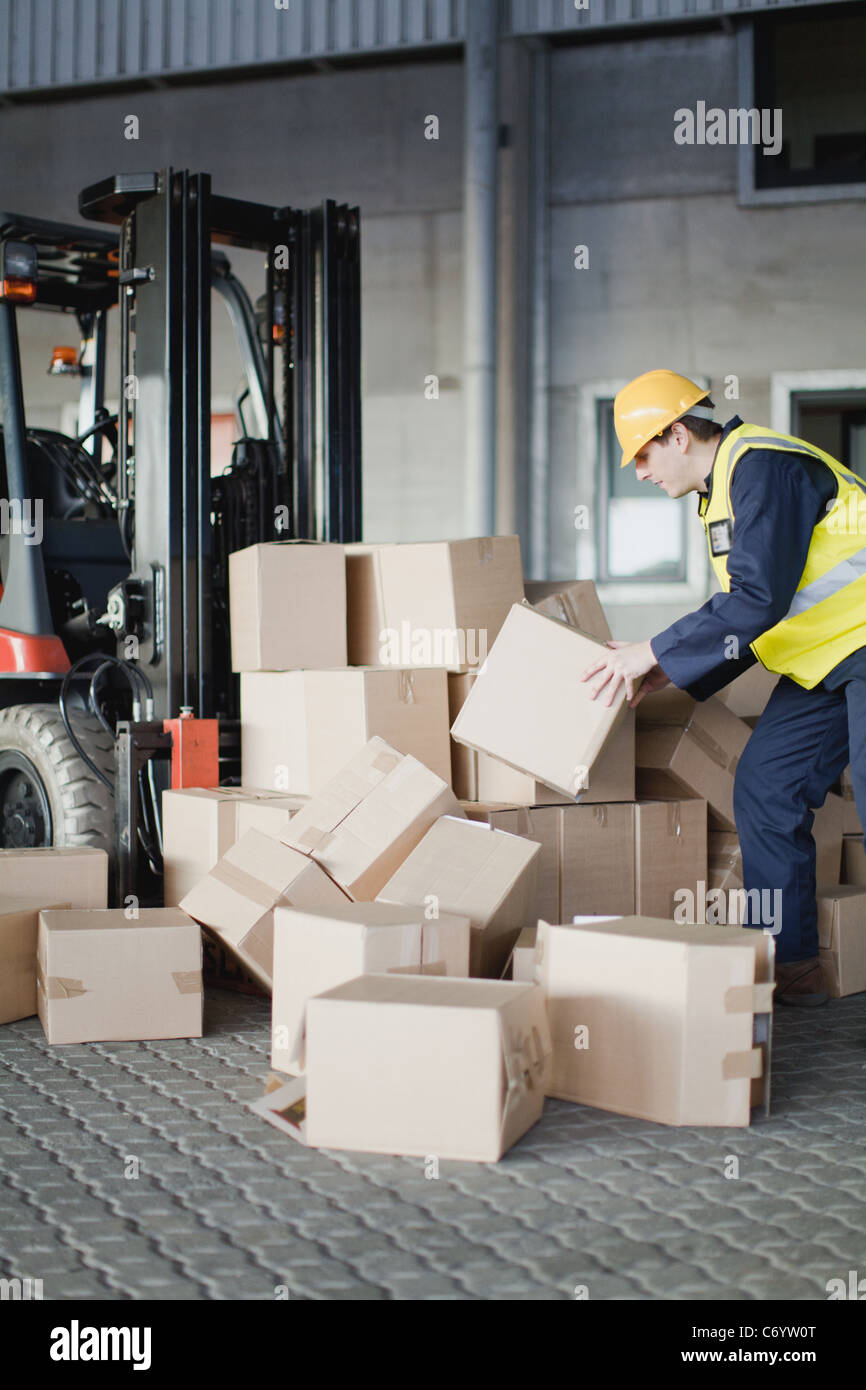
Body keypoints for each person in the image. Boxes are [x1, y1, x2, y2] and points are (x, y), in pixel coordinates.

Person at [581, 369, 866, 1006]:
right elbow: (761, 610)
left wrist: (655, 649)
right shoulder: (723, 491)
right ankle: (790, 968)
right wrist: (671, 668)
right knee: (766, 788)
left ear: (678, 435)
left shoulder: (763, 467)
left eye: (643, 455)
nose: (640, 473)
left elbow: (758, 598)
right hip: (827, 660)